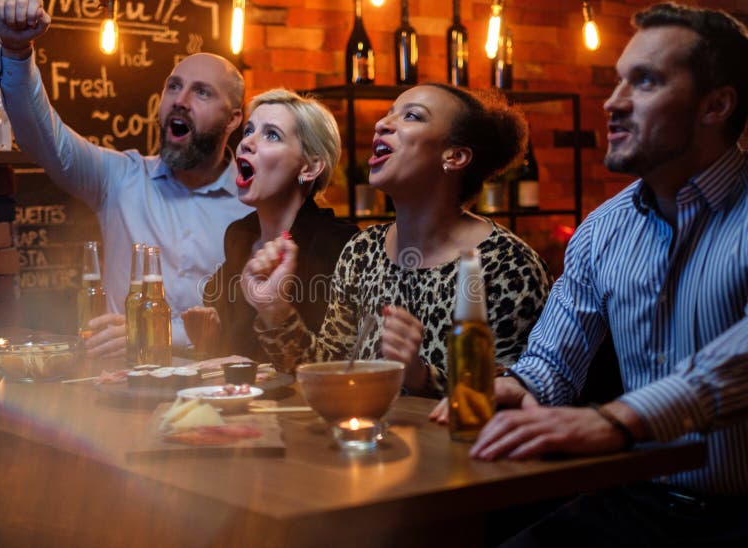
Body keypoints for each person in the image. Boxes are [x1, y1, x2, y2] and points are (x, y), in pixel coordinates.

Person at [433, 3, 748, 545]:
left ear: (715, 105)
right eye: (618, 80)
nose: (612, 102)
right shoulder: (603, 229)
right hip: (636, 502)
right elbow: (553, 362)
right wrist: (517, 388)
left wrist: (621, 419)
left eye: (644, 82)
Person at [241, 84, 552, 398]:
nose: (382, 124)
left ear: (455, 156)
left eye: (412, 116)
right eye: (389, 113)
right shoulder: (362, 251)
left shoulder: (508, 265)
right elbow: (331, 372)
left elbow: (516, 394)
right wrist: (274, 310)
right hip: (366, 430)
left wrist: (421, 377)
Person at [0, 1, 253, 357]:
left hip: (217, 386)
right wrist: (16, 51)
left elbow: (252, 321)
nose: (180, 100)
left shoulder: (253, 204)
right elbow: (41, 137)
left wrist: (156, 333)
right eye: (173, 87)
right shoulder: (119, 178)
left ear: (234, 118)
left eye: (202, 92)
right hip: (123, 383)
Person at [181, 89, 358, 362]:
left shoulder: (339, 245)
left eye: (272, 135)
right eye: (249, 130)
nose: (246, 143)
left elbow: (338, 368)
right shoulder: (238, 239)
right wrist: (210, 343)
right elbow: (239, 361)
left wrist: (275, 310)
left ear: (310, 168)